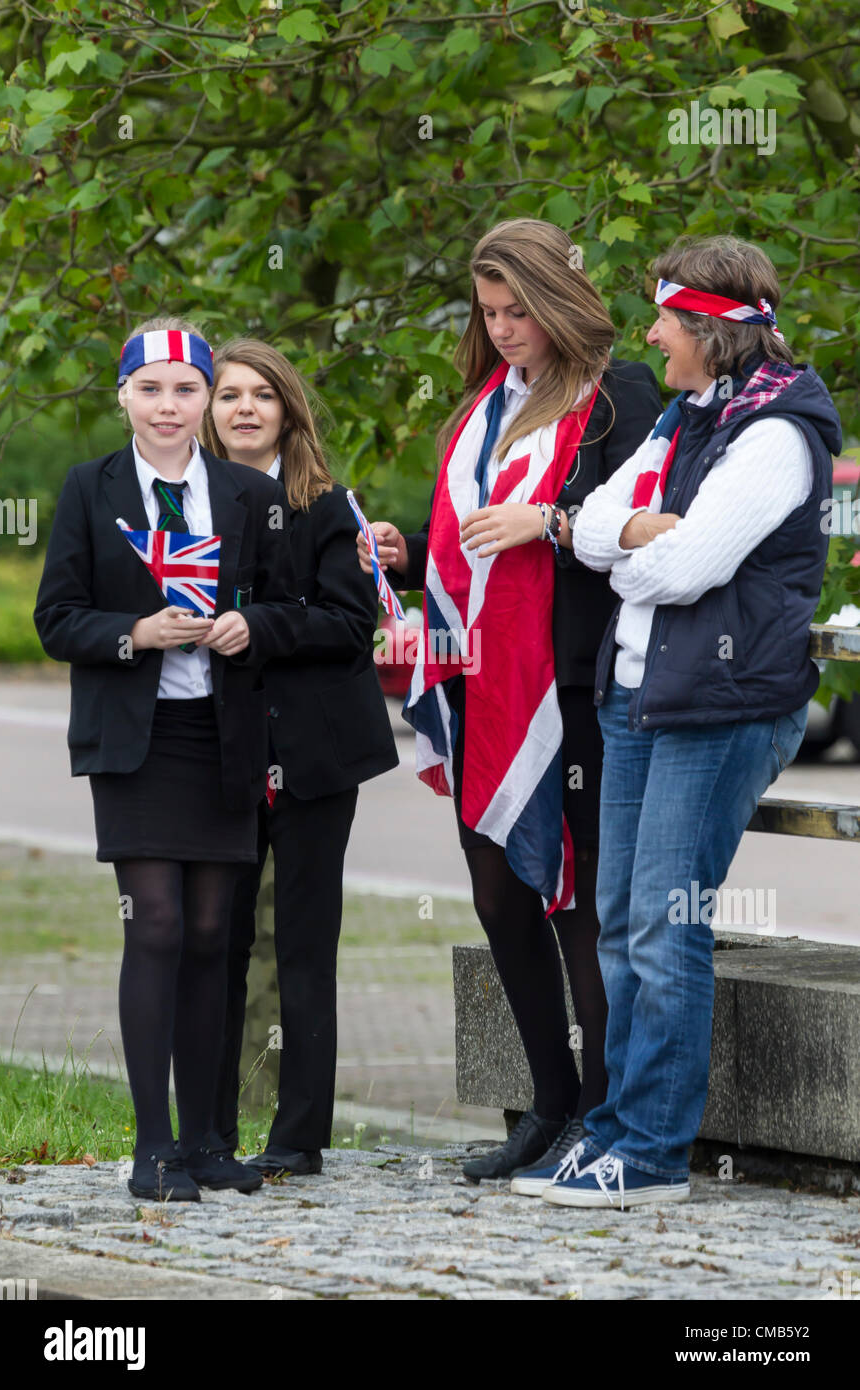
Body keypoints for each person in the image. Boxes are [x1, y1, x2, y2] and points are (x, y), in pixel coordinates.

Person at [535, 235, 841, 1209]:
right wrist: (631, 534)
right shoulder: (682, 415)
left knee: (667, 929)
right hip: (635, 695)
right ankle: (615, 1131)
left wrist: (632, 542)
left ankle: (653, 1153)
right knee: (620, 925)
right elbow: (583, 523)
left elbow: (686, 567)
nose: (652, 333)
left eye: (666, 319)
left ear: (709, 329)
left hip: (720, 705)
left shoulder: (776, 433)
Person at [357, 219, 662, 1183]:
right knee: (498, 891)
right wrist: (409, 545)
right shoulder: (490, 400)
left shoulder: (620, 393)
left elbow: (644, 526)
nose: (502, 330)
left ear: (559, 298)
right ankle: (550, 1099)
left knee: (581, 900)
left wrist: (552, 522)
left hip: (574, 682)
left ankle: (607, 1121)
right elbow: (472, 536)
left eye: (517, 310)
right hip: (483, 677)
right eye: (488, 314)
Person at [34, 317, 304, 1202]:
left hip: (221, 738)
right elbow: (58, 618)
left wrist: (248, 627)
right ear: (124, 398)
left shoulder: (244, 494)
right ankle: (151, 1148)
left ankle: (203, 1144)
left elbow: (286, 611)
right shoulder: (88, 487)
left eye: (185, 388)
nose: (168, 405)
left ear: (204, 399)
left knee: (208, 933)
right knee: (153, 924)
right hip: (137, 741)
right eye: (149, 389)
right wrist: (135, 632)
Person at [203, 339, 398, 1175]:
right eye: (228, 395)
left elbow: (352, 626)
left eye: (261, 395)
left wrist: (262, 627)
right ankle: (208, 1134)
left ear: (288, 409)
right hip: (220, 754)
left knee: (305, 948)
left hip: (317, 756)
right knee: (217, 941)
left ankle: (297, 1139)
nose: (244, 408)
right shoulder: (186, 506)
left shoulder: (328, 505)